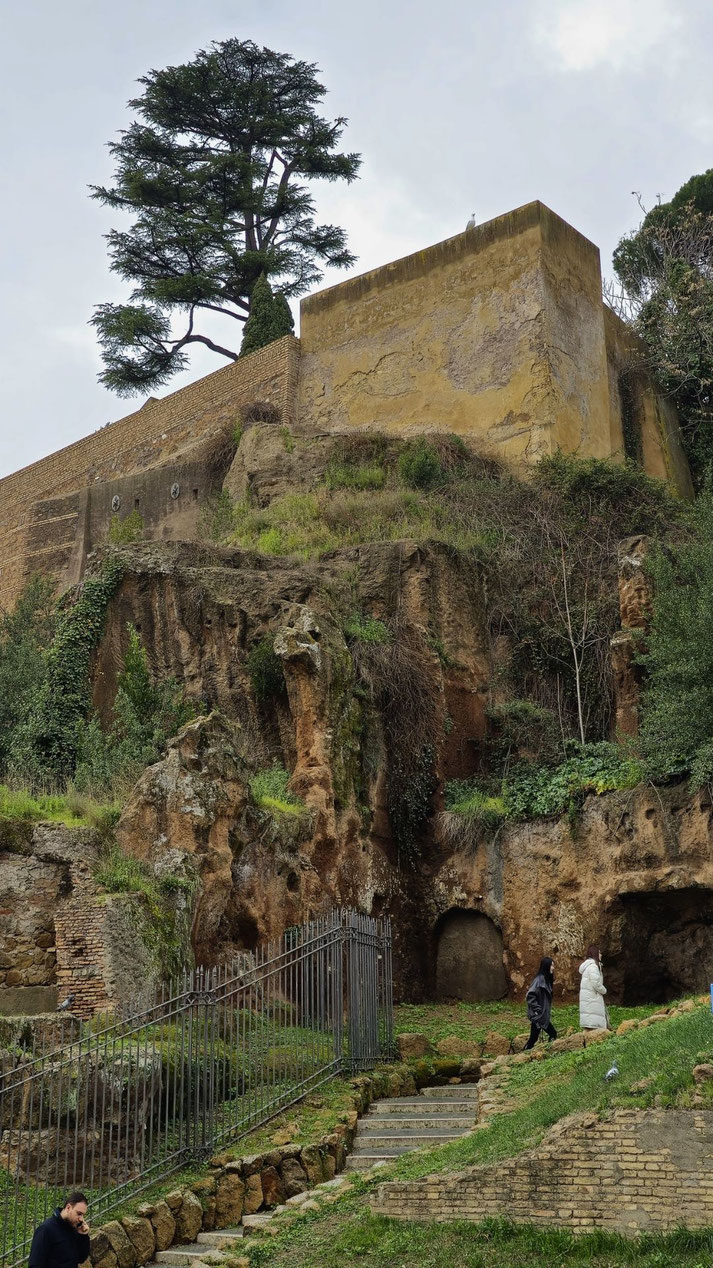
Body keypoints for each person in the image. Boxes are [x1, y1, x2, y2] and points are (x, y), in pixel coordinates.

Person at [28, 1192, 90, 1268]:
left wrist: (83, 1236)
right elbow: (35, 1264)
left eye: (83, 1215)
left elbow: (80, 1258)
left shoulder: (74, 1227)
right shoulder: (46, 1229)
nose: (81, 1219)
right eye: (79, 1214)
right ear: (68, 1208)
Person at [524, 956, 557, 1049]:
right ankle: (548, 1051)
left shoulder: (545, 980)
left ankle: (525, 1053)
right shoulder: (539, 980)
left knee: (533, 1038)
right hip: (538, 1016)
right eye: (552, 965)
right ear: (547, 966)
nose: (553, 968)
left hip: (541, 1016)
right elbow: (530, 995)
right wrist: (537, 1009)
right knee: (552, 1033)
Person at [579, 945, 609, 1030]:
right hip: (592, 998)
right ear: (595, 953)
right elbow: (596, 983)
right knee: (594, 1026)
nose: (601, 955)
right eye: (599, 953)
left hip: (589, 998)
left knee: (590, 1023)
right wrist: (604, 990)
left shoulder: (589, 966)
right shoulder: (593, 966)